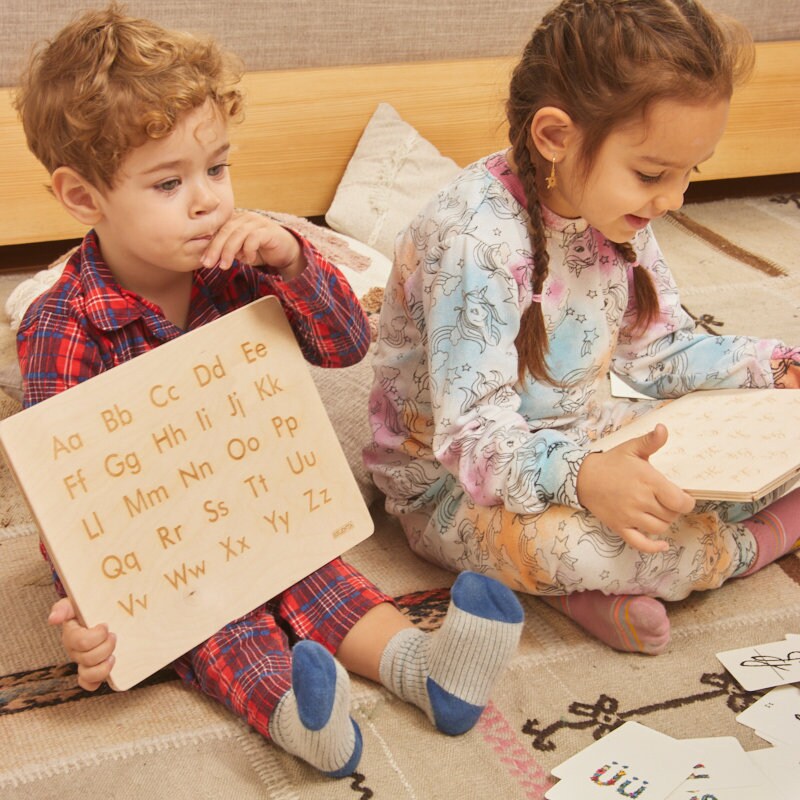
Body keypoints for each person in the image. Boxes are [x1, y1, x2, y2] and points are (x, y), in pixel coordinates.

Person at [14, 5, 524, 777]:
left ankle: (423, 669)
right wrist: (92, 608)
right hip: (163, 537)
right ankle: (296, 714)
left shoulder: (246, 257)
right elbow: (68, 496)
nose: (207, 200)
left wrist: (293, 261)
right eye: (168, 182)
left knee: (315, 570)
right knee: (207, 620)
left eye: (216, 168)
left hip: (261, 494)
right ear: (84, 199)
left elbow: (347, 345)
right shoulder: (62, 324)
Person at [365, 0, 800, 657]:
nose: (675, 199)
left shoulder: (619, 214)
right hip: (452, 486)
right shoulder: (474, 241)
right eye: (654, 174)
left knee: (718, 457)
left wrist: (772, 367)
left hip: (580, 437)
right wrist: (587, 480)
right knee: (585, 545)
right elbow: (471, 436)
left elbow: (657, 356)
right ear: (555, 137)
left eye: (691, 173)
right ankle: (763, 538)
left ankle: (590, 593)